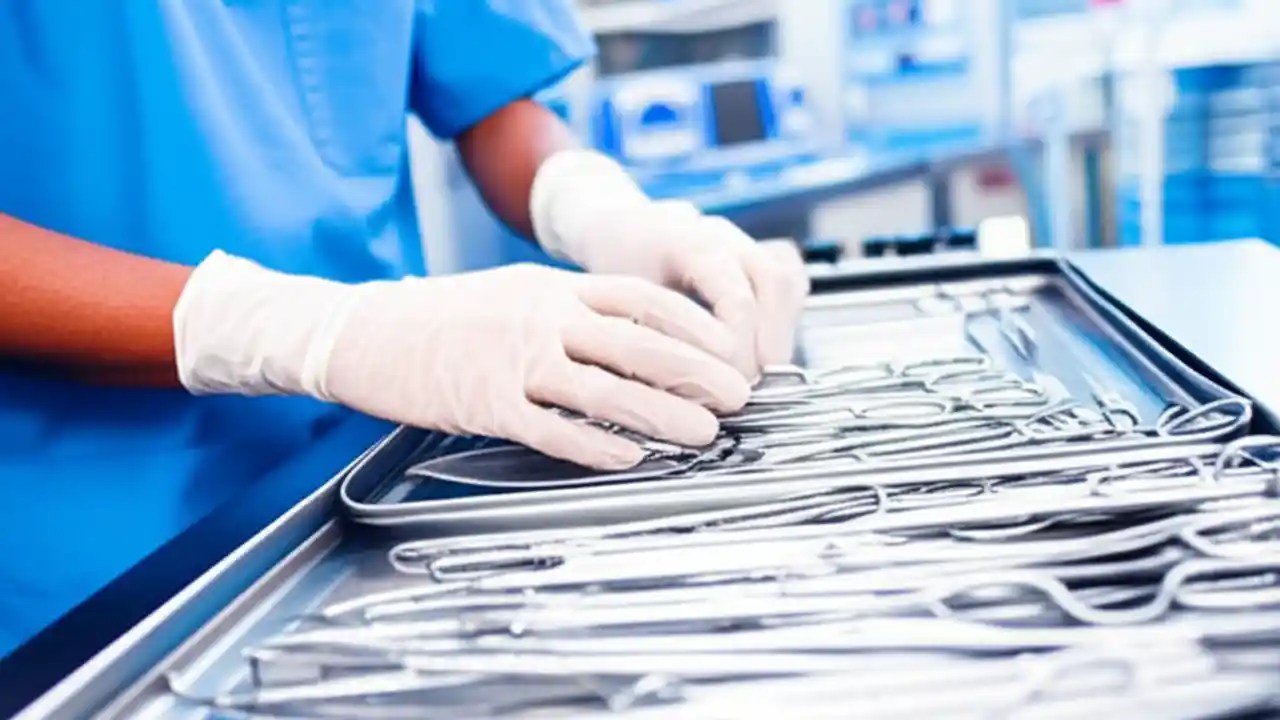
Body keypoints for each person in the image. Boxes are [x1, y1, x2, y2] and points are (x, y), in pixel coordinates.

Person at [0, 1, 808, 655]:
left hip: (373, 469)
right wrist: (309, 331)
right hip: (86, 550)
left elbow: (491, 93)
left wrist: (597, 210)